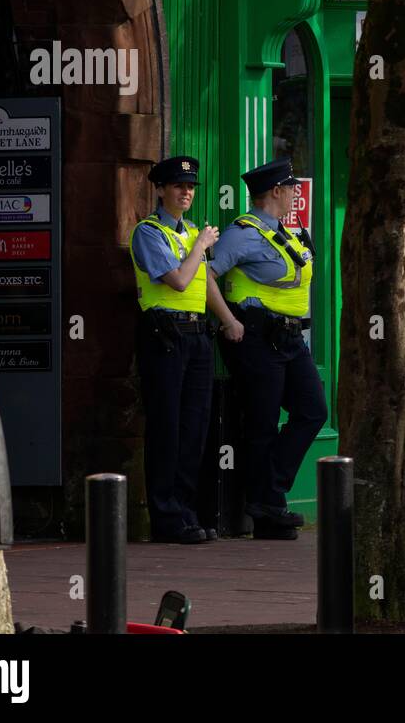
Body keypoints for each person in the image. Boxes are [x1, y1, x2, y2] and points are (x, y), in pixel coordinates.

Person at [210, 158, 327, 539]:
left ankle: (267, 496)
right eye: (291, 188)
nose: (295, 193)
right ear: (275, 191)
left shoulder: (287, 233)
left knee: (312, 410)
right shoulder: (242, 233)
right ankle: (268, 510)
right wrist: (229, 321)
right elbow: (205, 275)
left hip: (291, 338)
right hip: (257, 337)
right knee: (261, 424)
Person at [130, 155, 245, 544]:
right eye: (178, 186)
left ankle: (186, 512)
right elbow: (179, 280)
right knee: (167, 426)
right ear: (160, 189)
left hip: (197, 337)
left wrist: (228, 319)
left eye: (191, 187)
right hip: (165, 336)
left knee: (194, 427)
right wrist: (199, 246)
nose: (186, 193)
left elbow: (204, 283)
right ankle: (166, 518)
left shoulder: (192, 232)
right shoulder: (149, 232)